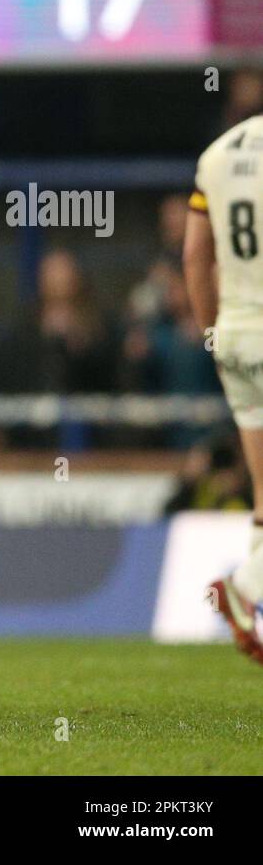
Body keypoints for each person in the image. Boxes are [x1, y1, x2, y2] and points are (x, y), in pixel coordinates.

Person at [184, 110, 263, 664]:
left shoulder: (216, 154)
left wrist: (211, 331)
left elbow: (194, 254)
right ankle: (247, 585)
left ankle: (253, 611)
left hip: (234, 335)